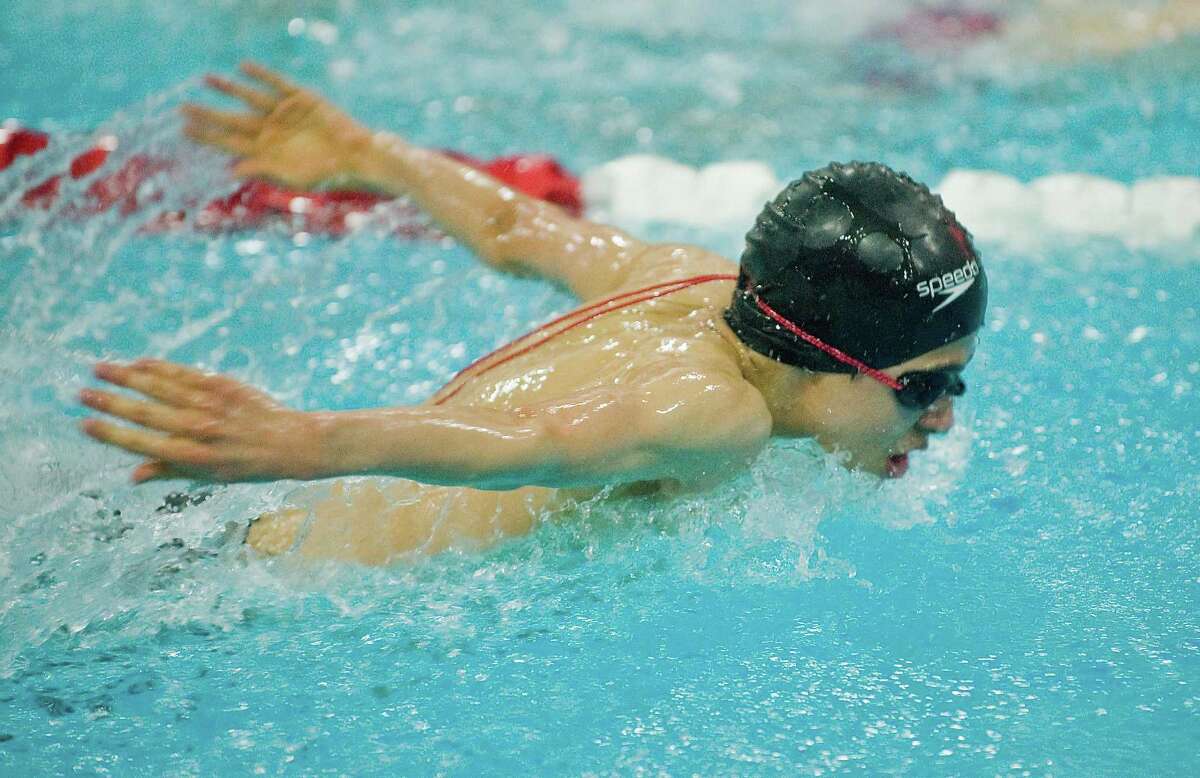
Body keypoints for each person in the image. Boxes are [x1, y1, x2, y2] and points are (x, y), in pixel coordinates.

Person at [79, 63, 986, 565]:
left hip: (217, 522)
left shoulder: (691, 279)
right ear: (827, 354)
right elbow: (529, 442)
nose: (946, 417)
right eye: (925, 388)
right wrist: (307, 444)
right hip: (241, 580)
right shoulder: (718, 415)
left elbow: (516, 227)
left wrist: (370, 152)